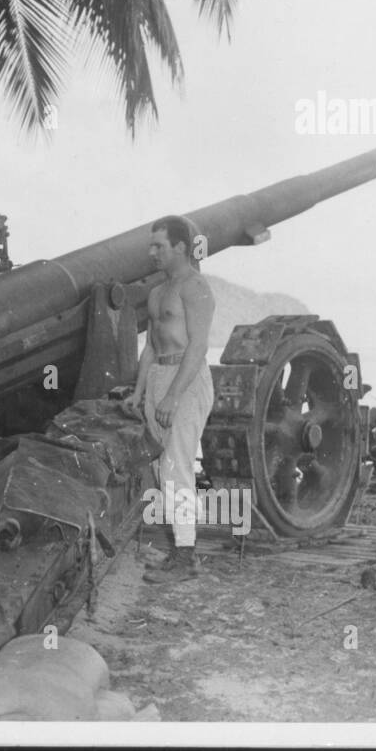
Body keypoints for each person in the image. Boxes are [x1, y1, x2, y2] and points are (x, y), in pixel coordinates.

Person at [120, 216, 215, 585]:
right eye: (151, 245)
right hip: (160, 375)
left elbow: (199, 345)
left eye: (158, 245)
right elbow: (149, 349)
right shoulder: (158, 293)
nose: (152, 252)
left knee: (177, 467)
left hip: (186, 381)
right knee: (163, 468)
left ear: (180, 247)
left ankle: (187, 558)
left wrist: (174, 396)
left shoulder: (196, 287)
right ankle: (180, 547)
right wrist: (140, 392)